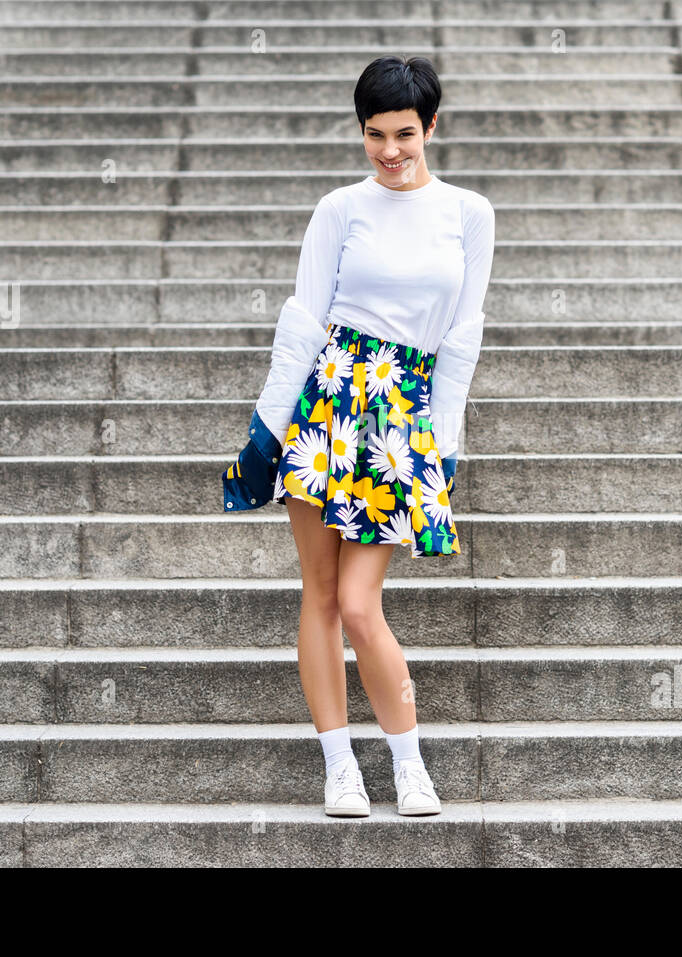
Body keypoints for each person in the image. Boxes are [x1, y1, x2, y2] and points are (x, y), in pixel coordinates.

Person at [222, 55, 496, 817]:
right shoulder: (340, 207)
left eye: (405, 133)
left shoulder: (469, 213)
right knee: (318, 594)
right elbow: (303, 322)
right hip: (326, 406)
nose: (390, 151)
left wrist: (443, 447)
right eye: (374, 134)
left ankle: (410, 763)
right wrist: (266, 428)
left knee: (358, 601)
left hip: (398, 414)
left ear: (432, 126)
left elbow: (462, 340)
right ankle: (339, 766)